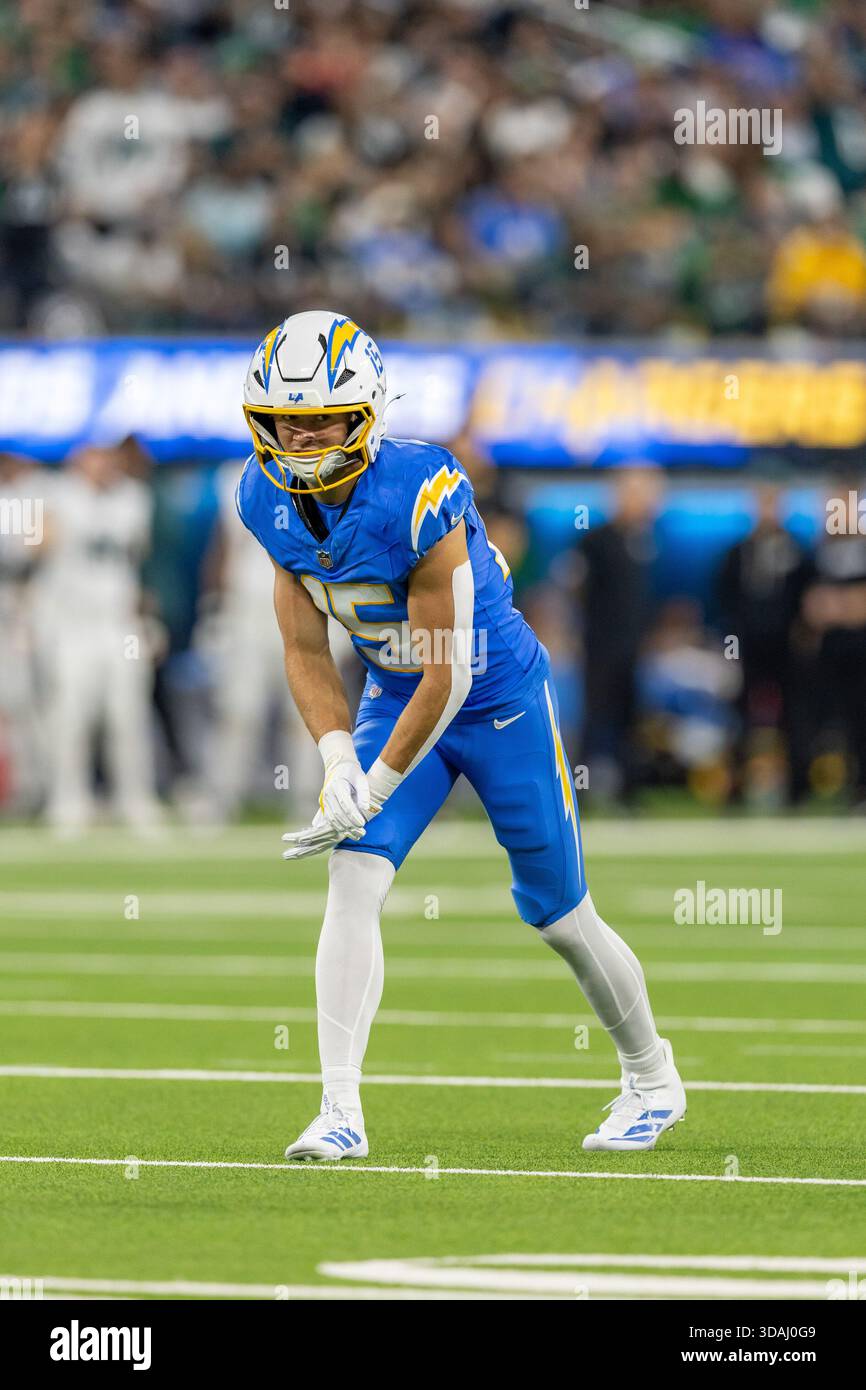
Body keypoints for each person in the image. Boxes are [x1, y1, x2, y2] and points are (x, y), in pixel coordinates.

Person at [236, 310, 686, 1159]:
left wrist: (373, 783)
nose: (301, 438)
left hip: (496, 697)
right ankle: (339, 1110)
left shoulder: (421, 490)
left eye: (323, 419)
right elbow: (304, 648)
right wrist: (336, 758)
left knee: (561, 914)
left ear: (365, 415)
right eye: (286, 420)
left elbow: (450, 675)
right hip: (395, 691)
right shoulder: (264, 499)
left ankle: (652, 1075)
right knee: (353, 874)